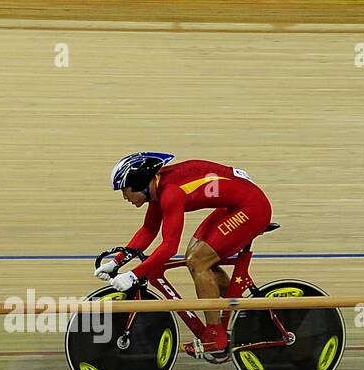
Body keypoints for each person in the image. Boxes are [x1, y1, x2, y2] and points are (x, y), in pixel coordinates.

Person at [98, 153, 273, 359]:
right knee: (196, 257)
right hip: (234, 206)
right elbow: (148, 230)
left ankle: (215, 336)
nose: (125, 197)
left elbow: (170, 247)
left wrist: (133, 275)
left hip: (252, 208)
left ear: (139, 183)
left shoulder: (171, 192)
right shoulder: (157, 188)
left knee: (199, 260)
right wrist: (116, 261)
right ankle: (239, 313)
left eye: (125, 191)